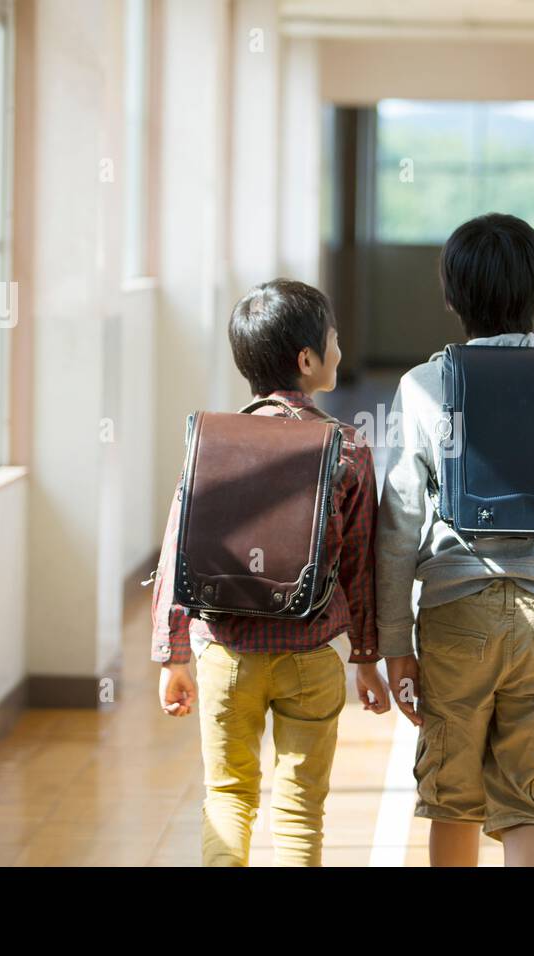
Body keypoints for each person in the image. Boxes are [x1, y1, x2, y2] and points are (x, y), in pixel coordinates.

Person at [375, 213, 534, 866]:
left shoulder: (424, 386)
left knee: (451, 800)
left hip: (458, 619)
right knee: (528, 804)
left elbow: (397, 526)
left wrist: (396, 642)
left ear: (451, 298)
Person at [151, 278, 390, 867]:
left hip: (226, 656)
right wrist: (366, 658)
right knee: (300, 808)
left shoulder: (211, 443)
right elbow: (361, 566)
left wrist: (173, 653)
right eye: (332, 340)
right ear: (308, 360)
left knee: (227, 797)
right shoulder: (348, 448)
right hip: (311, 656)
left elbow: (177, 550)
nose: (339, 349)